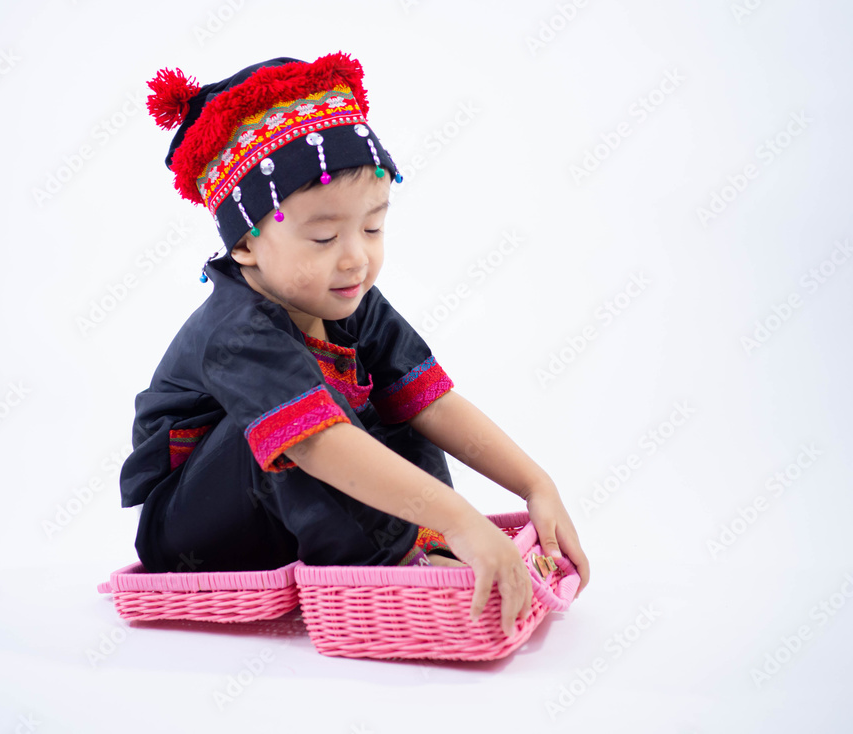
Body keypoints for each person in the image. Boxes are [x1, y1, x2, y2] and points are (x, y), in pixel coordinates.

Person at [119, 52, 589, 637]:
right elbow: (320, 447)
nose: (355, 258)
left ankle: (421, 542)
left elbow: (432, 402)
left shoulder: (349, 298)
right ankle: (395, 561)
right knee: (299, 430)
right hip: (195, 530)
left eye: (373, 227)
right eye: (323, 236)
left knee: (394, 406)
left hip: (289, 512)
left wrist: (535, 484)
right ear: (244, 246)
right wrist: (465, 523)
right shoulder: (236, 330)